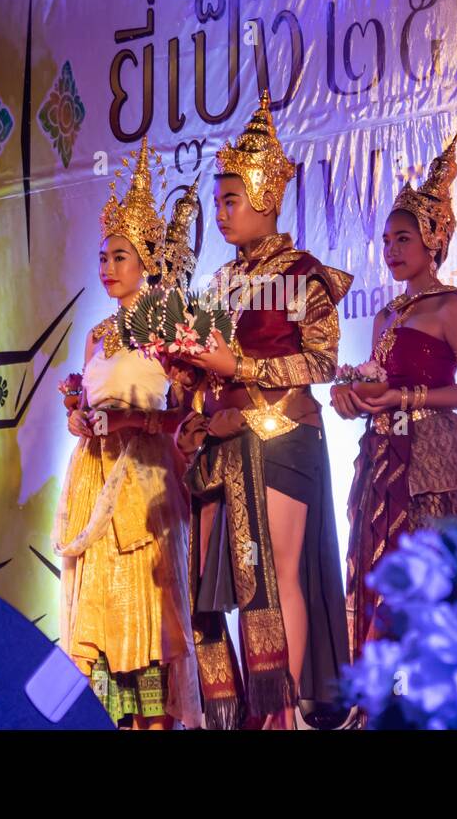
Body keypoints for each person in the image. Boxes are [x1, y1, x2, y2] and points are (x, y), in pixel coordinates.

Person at [170, 91, 352, 730]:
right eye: (217, 200)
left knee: (273, 571)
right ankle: (239, 712)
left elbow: (323, 364)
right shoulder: (219, 282)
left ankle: (287, 713)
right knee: (231, 581)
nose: (220, 213)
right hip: (227, 440)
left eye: (230, 199)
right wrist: (190, 385)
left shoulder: (304, 275)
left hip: (283, 438)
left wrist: (239, 368)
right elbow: (208, 367)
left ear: (264, 197)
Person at [52, 138, 201, 728]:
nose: (107, 268)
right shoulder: (95, 335)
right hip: (95, 480)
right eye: (104, 257)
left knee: (147, 613)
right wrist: (78, 419)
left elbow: (187, 416)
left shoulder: (170, 328)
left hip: (146, 484)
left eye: (120, 257)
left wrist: (137, 421)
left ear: (146, 262)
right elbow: (80, 413)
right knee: (96, 613)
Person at [329, 137, 457, 654]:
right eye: (386, 241)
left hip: (435, 466)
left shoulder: (449, 310)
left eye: (403, 238)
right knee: (380, 578)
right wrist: (351, 398)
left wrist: (410, 399)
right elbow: (375, 379)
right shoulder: (384, 315)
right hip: (382, 458)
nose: (391, 251)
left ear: (432, 241)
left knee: (432, 587)